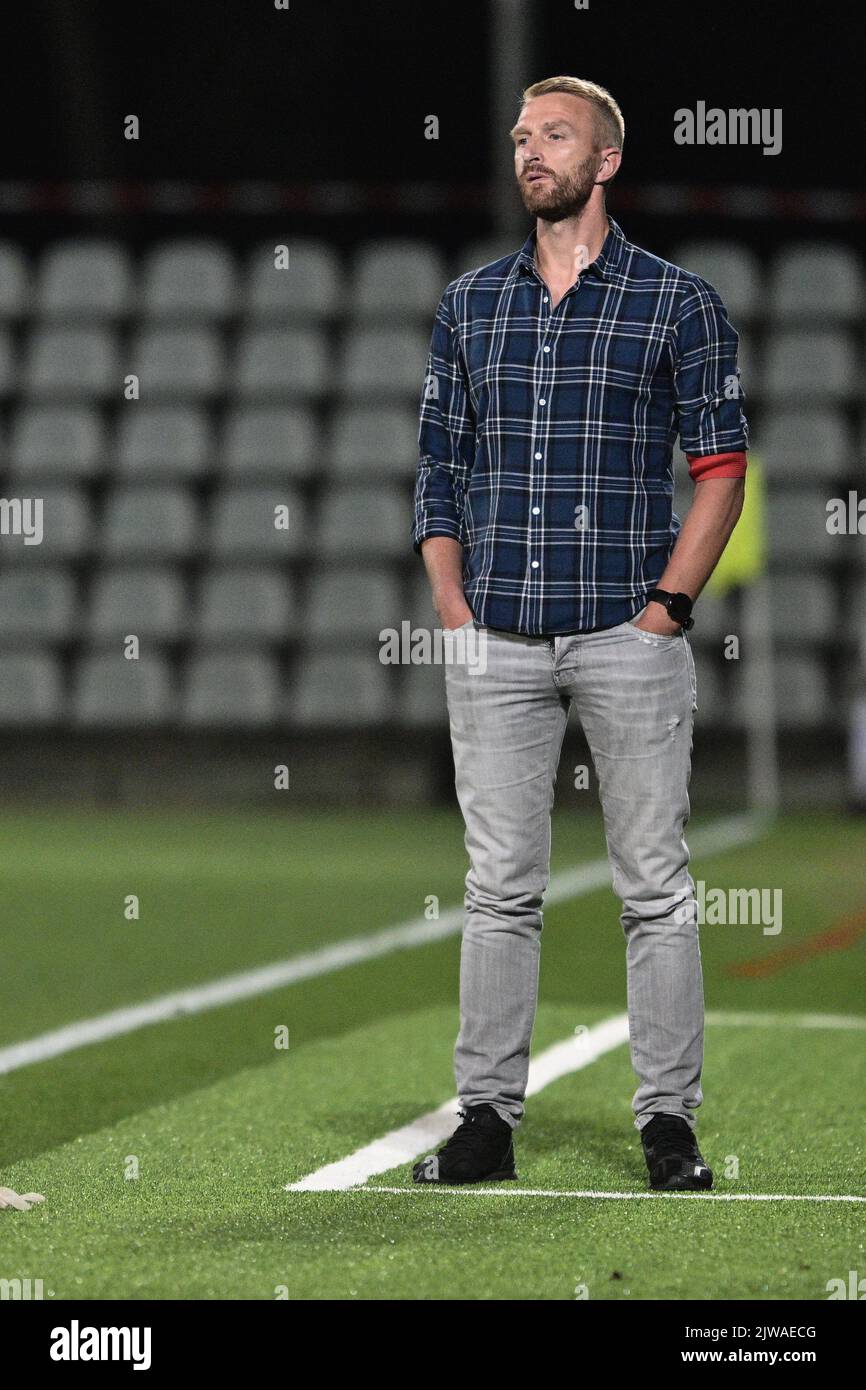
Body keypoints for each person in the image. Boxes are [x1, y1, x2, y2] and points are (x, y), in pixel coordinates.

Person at [410, 76, 748, 1191]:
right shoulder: (470, 303)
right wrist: (455, 613)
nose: (528, 151)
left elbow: (718, 470)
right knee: (498, 887)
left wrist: (665, 613)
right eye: (517, 135)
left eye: (552, 135)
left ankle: (666, 1127)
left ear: (604, 160)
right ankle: (485, 1124)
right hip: (495, 638)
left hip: (625, 633)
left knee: (652, 884)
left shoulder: (675, 303)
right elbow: (438, 472)